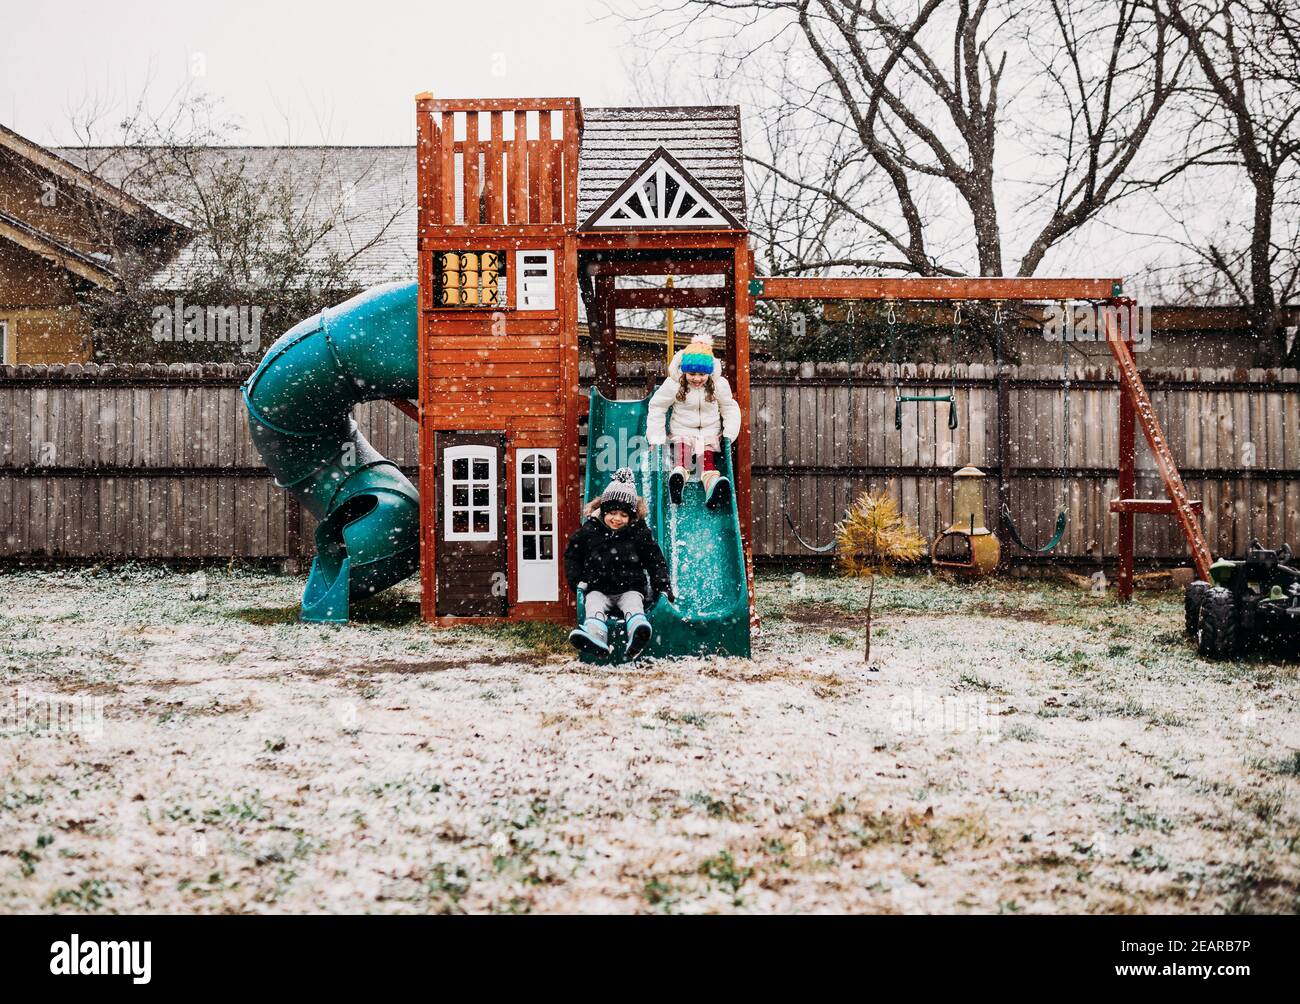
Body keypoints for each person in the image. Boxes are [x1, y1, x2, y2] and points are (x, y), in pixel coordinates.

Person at [564, 468, 673, 660]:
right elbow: (573, 554)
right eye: (612, 513)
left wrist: (662, 587)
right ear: (603, 511)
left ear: (631, 517)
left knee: (633, 604)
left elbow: (655, 561)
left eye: (623, 515)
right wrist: (577, 581)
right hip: (598, 588)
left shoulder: (639, 533)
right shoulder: (590, 530)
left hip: (629, 588)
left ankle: (637, 634)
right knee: (593, 605)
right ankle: (597, 639)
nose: (617, 519)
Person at [646, 333, 741, 509]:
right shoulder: (674, 384)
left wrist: (729, 434)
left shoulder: (719, 385)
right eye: (692, 373)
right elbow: (657, 407)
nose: (697, 378)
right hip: (682, 432)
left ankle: (713, 488)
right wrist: (656, 437)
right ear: (684, 371)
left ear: (709, 372)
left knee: (708, 464)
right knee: (684, 459)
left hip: (709, 435)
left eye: (701, 374)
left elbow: (729, 407)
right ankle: (677, 480)